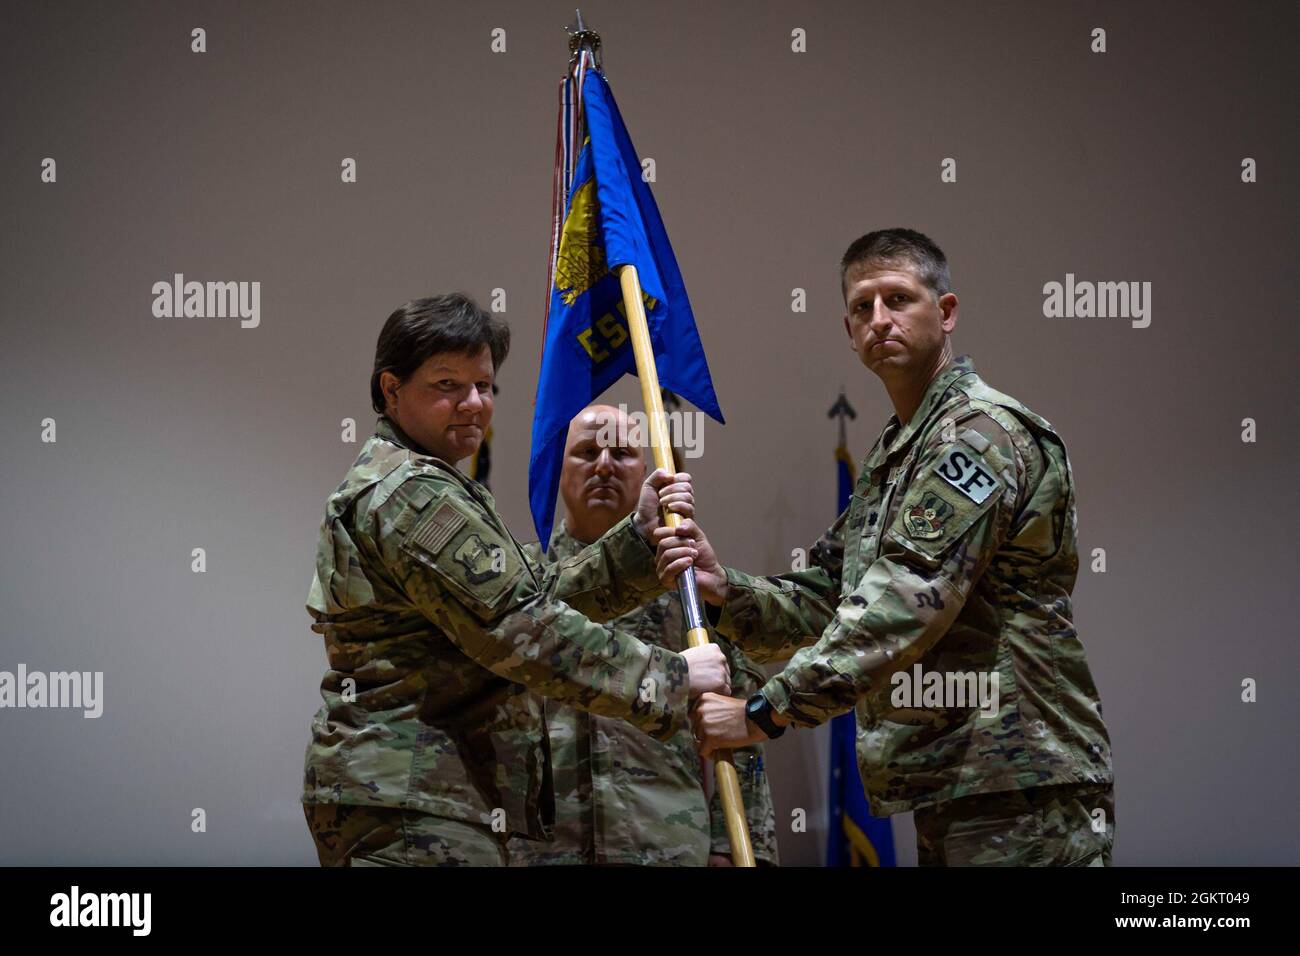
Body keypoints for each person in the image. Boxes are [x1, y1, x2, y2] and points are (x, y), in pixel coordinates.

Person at [665, 229, 1115, 866]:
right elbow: (828, 592)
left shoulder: (979, 434)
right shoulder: (896, 453)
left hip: (1021, 778)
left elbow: (904, 600)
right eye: (861, 307)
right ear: (848, 330)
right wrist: (725, 592)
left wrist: (767, 712)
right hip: (957, 776)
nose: (879, 319)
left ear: (946, 311)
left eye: (898, 299)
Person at [301, 294, 729, 867]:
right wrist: (675, 676)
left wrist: (637, 539)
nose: (473, 404)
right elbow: (521, 629)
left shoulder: (420, 482)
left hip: (429, 797)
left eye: (484, 386)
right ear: (391, 389)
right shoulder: (411, 493)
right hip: (414, 801)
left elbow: (532, 596)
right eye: (447, 385)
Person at [508, 405, 779, 867]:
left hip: (662, 841)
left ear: (650, 472)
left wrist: (734, 844)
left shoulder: (687, 583)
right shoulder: (520, 584)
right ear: (557, 468)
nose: (605, 464)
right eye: (587, 452)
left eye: (623, 452)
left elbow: (738, 721)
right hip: (542, 845)